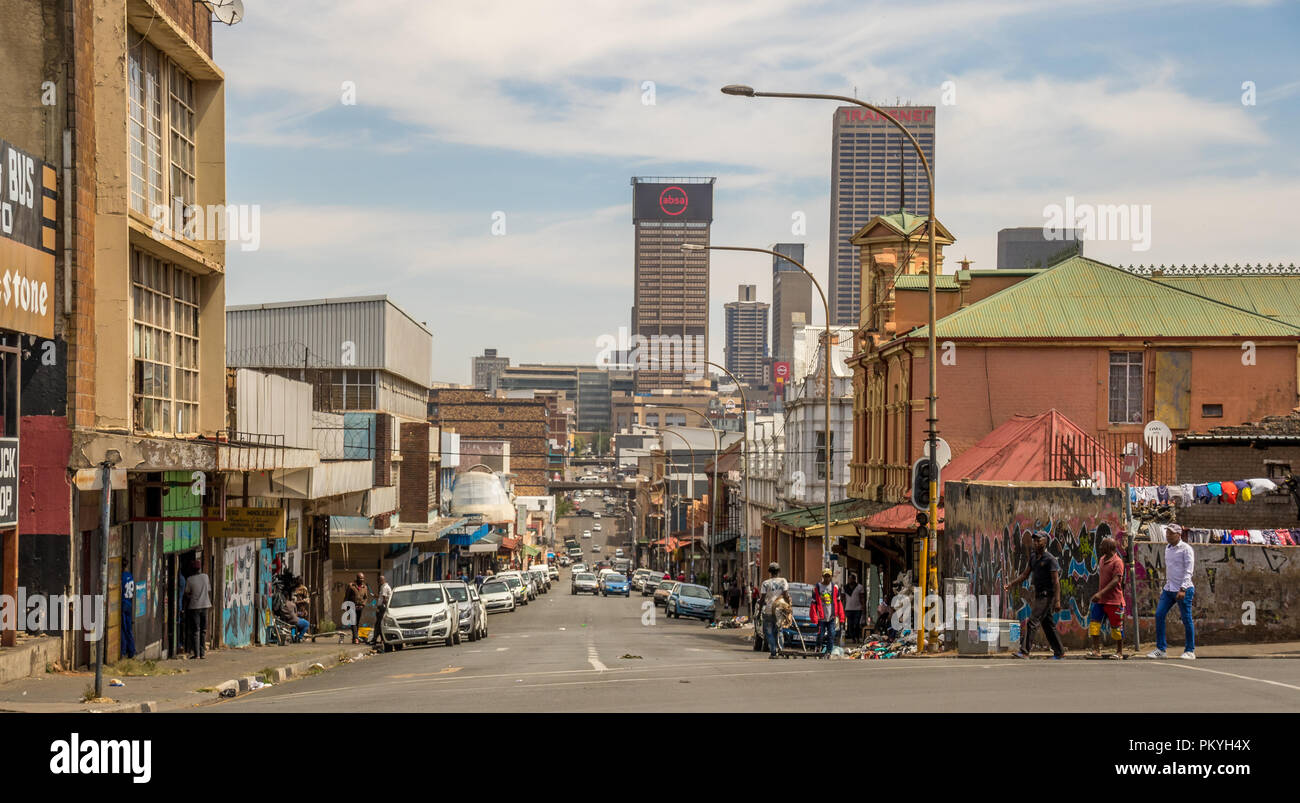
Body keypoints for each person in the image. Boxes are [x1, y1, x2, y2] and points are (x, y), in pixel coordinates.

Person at [1004, 531, 1065, 659]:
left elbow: (1056, 582)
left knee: (1032, 621)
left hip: (1047, 596)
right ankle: (1059, 652)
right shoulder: (1033, 557)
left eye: (1038, 540)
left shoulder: (1050, 559)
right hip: (1039, 595)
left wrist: (1057, 601)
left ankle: (1024, 651)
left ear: (1045, 542)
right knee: (1048, 625)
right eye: (1034, 540)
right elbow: (1025, 574)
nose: (1036, 543)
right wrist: (1011, 584)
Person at [1149, 524, 1196, 659]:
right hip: (1169, 589)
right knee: (1159, 614)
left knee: (1186, 619)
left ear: (1178, 535)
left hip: (1183, 589)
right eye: (1167, 533)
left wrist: (1183, 589)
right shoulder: (1167, 548)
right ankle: (1161, 649)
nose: (1168, 535)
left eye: (1171, 533)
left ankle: (1190, 650)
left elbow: (1188, 571)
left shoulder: (1186, 549)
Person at [1088, 536, 1126, 659]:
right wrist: (1100, 595)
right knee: (1094, 624)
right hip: (1101, 601)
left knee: (1116, 628)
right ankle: (1096, 650)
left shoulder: (1117, 562)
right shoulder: (1102, 559)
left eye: (1102, 545)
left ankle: (1119, 652)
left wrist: (1100, 593)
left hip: (1114, 601)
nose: (1100, 547)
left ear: (1109, 548)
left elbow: (1116, 580)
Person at [810, 568, 845, 656]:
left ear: (831, 577)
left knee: (832, 634)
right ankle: (818, 647)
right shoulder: (817, 587)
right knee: (821, 635)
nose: (827, 578)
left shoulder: (834, 587)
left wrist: (841, 617)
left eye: (828, 576)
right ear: (822, 576)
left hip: (831, 616)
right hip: (821, 617)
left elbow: (839, 603)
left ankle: (829, 651)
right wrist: (814, 617)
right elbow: (813, 604)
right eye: (825, 576)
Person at [760, 562, 791, 659]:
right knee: (779, 630)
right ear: (779, 571)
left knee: (769, 632)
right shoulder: (783, 581)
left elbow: (762, 599)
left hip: (769, 610)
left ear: (769, 572)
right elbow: (786, 595)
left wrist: (760, 610)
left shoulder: (765, 583)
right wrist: (788, 606)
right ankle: (780, 650)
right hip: (779, 610)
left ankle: (773, 652)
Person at [182, 559, 212, 659]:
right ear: (199, 568)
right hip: (205, 605)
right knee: (203, 630)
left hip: (194, 607)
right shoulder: (205, 577)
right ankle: (202, 653)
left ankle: (197, 654)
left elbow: (187, 593)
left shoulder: (189, 579)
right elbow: (208, 590)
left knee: (196, 630)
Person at [345, 573, 369, 644]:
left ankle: (354, 638)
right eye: (360, 578)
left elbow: (366, 597)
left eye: (362, 578)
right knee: (353, 622)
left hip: (360, 607)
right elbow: (346, 596)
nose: (361, 580)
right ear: (357, 578)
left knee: (357, 622)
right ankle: (356, 638)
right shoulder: (351, 586)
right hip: (352, 606)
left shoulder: (364, 587)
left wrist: (363, 604)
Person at [370, 575, 393, 645]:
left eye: (379, 581)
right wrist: (375, 596)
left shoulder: (385, 587)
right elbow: (381, 597)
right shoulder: (383, 587)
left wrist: (380, 608)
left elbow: (384, 599)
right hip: (382, 607)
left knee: (379, 624)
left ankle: (376, 639)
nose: (378, 582)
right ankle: (380, 639)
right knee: (379, 624)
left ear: (382, 580)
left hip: (382, 608)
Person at [844, 573, 864, 643]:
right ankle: (853, 638)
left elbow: (862, 597)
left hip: (857, 608)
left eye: (851, 579)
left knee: (856, 624)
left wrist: (863, 606)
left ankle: (857, 637)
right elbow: (843, 598)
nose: (850, 580)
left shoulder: (859, 587)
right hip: (848, 609)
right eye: (849, 579)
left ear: (854, 579)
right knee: (850, 625)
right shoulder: (845, 587)